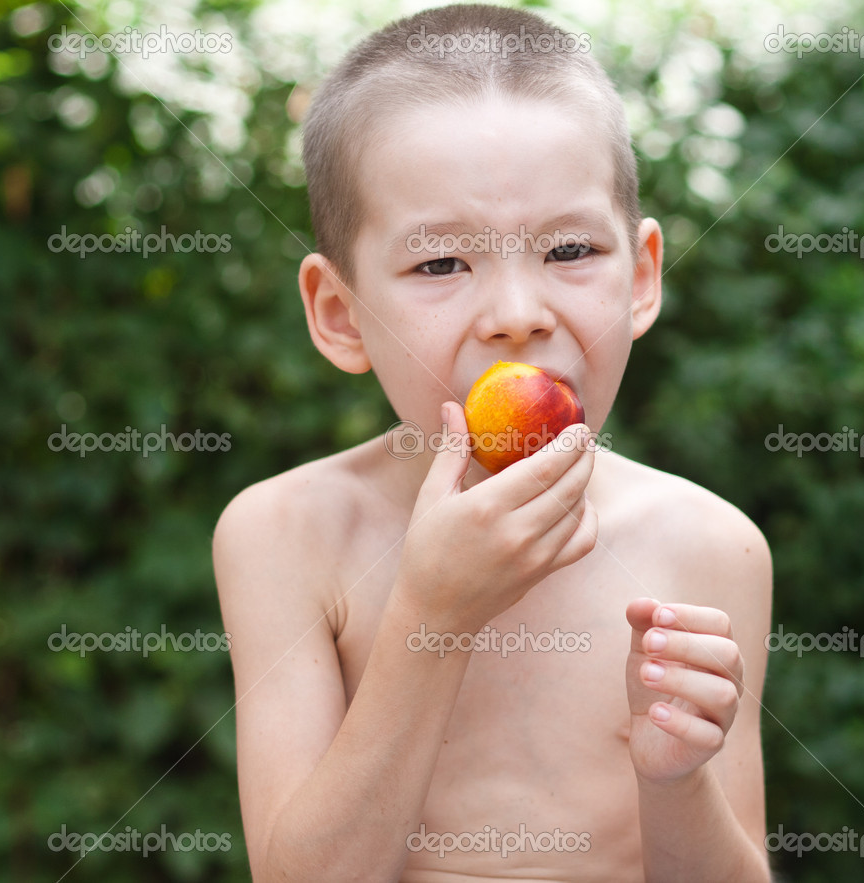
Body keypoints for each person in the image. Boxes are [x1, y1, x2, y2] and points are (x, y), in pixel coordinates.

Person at [213, 4, 773, 880]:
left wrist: (674, 781)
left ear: (639, 277)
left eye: (570, 249)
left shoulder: (708, 542)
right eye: (440, 263)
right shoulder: (288, 535)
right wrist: (433, 616)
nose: (518, 315)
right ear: (339, 313)